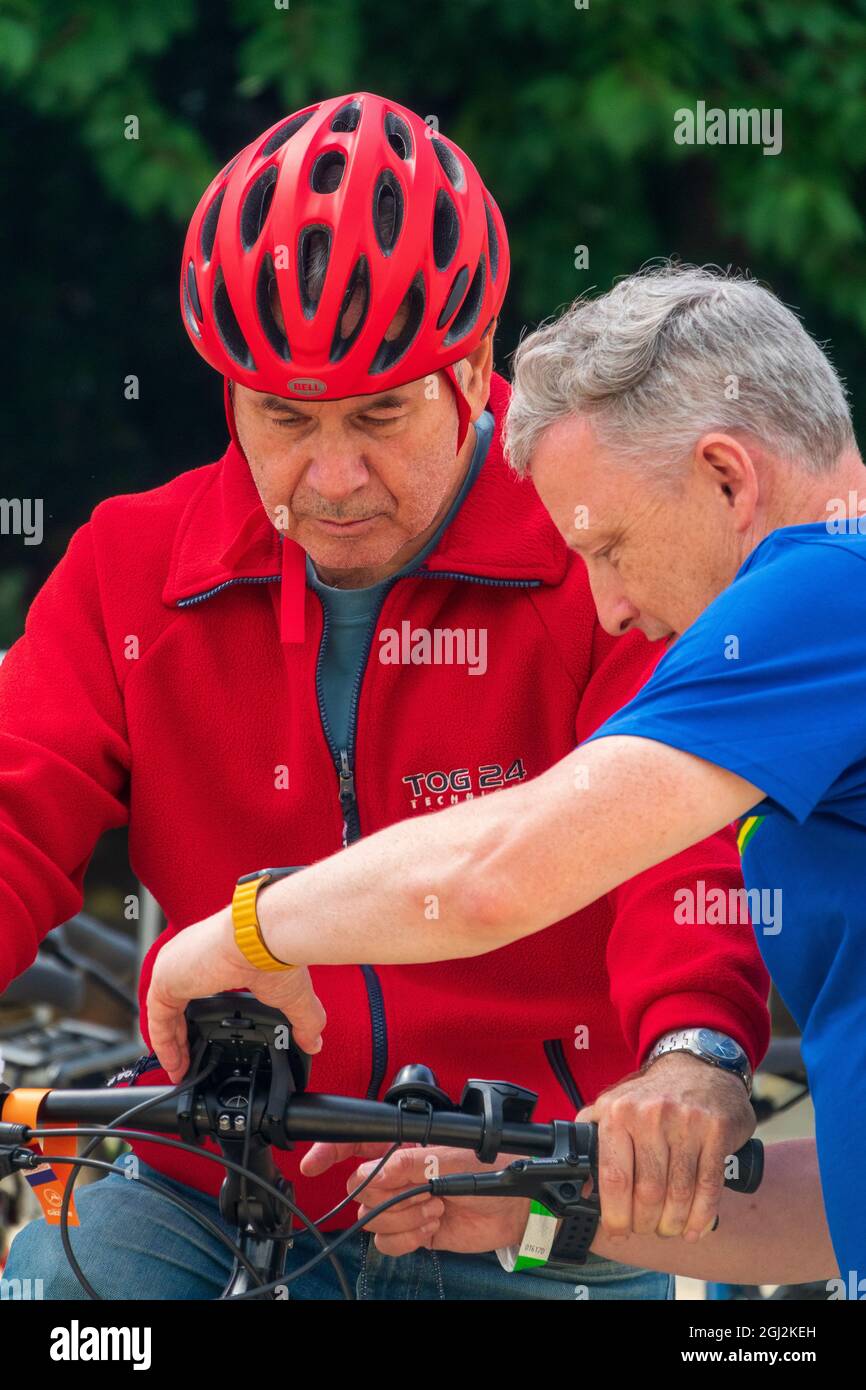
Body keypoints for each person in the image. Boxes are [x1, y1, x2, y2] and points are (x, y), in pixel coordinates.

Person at [1, 98, 768, 1299]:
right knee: (56, 1282)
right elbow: (13, 812)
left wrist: (691, 1054)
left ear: (472, 368)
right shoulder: (125, 571)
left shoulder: (597, 553)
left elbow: (681, 841)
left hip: (535, 1198)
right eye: (285, 419)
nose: (333, 476)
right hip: (212, 1185)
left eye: (380, 413)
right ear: (227, 395)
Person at [146, 263, 866, 1281]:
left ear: (724, 477)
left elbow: (496, 868)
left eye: (607, 548)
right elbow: (833, 1206)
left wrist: (241, 931)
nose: (609, 609)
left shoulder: (827, 589)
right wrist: (516, 1208)